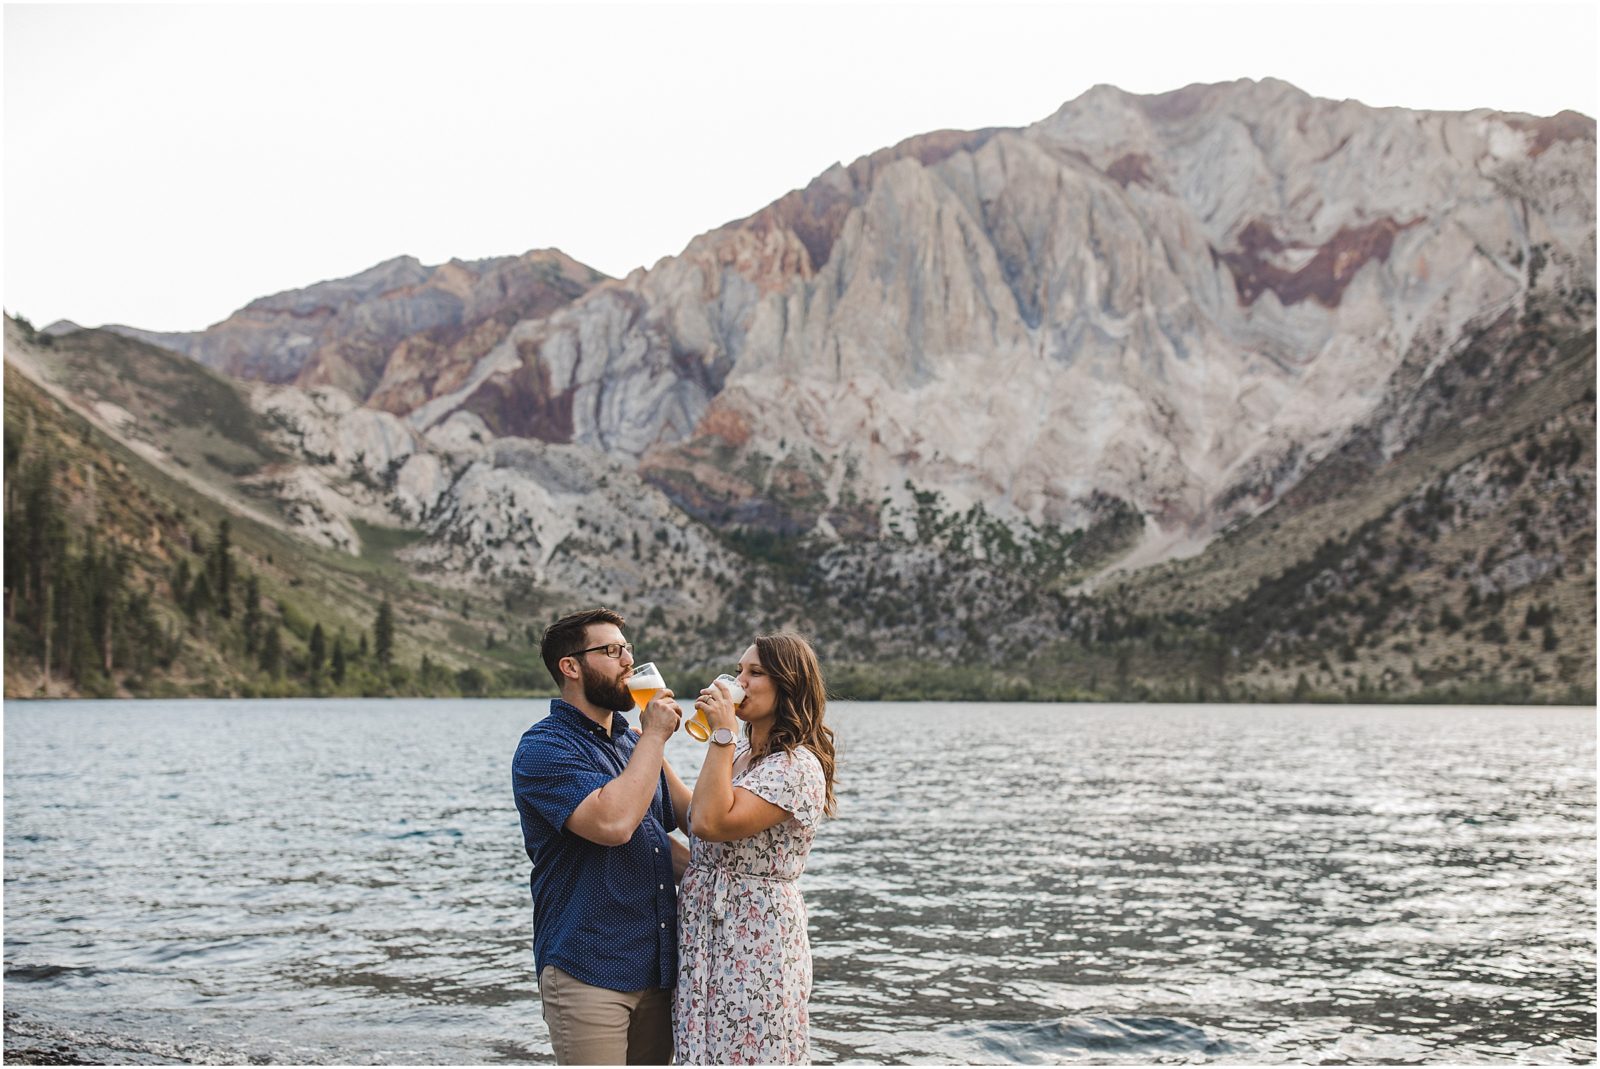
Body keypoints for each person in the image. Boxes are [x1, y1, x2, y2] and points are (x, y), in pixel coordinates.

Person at [511, 608, 693, 1065]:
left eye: (627, 648)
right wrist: (653, 735)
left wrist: (731, 737)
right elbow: (613, 826)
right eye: (612, 651)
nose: (628, 660)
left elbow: (692, 823)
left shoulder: (631, 744)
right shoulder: (543, 748)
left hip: (657, 968)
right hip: (587, 967)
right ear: (570, 667)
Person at [674, 631, 838, 1065]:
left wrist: (722, 733)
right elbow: (695, 817)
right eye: (739, 670)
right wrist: (648, 746)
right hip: (705, 935)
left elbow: (711, 823)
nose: (739, 681)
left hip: (755, 938)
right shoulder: (744, 751)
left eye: (756, 673)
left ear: (788, 685)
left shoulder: (797, 765)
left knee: (750, 1051)